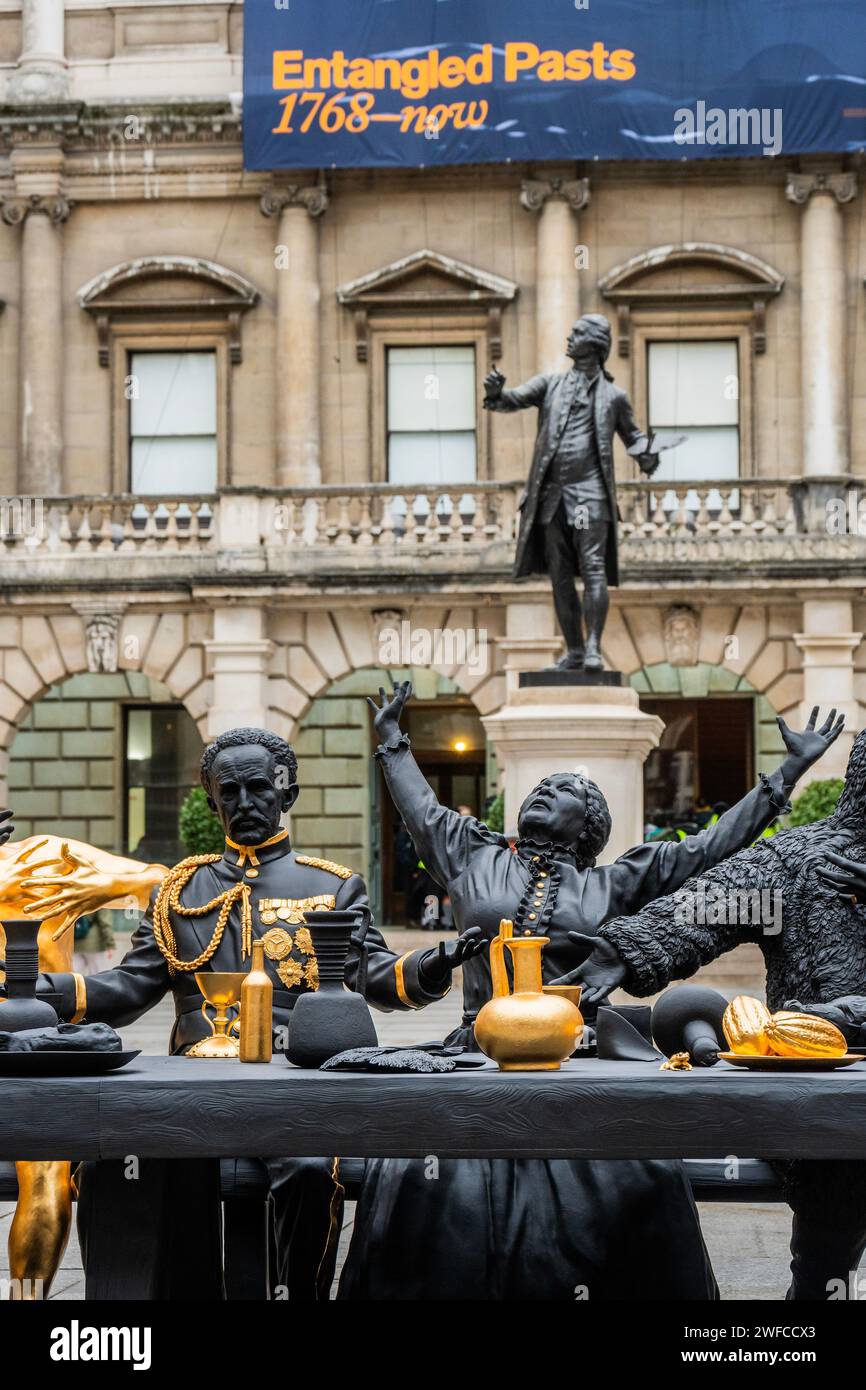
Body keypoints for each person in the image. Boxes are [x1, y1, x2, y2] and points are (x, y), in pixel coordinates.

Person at [336, 684, 843, 1300]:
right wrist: (392, 742)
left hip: (583, 1056)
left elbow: (711, 848)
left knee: (629, 1172)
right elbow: (420, 807)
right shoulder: (471, 855)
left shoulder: (617, 882)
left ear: (590, 828)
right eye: (541, 786)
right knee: (426, 1175)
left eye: (567, 790)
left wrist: (785, 775)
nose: (545, 790)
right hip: (478, 1053)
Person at [24, 727, 485, 1299]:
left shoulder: (332, 887)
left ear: (287, 792)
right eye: (230, 792)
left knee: (316, 1169)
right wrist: (31, 987)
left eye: (259, 789)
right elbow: (129, 987)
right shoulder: (180, 890)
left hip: (294, 1086)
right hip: (193, 1084)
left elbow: (375, 975)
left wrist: (434, 965)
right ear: (212, 799)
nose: (244, 804)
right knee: (118, 1164)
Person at [566, 719, 866, 1301]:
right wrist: (626, 950)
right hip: (819, 1093)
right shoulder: (800, 862)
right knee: (831, 1213)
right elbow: (712, 904)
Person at [484, 313, 672, 671]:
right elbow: (513, 399)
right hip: (552, 497)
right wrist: (495, 393)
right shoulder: (550, 384)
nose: (569, 337)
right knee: (560, 575)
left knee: (593, 567)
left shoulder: (614, 397)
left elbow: (634, 439)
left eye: (577, 333)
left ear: (595, 344)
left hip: (590, 496)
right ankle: (573, 650)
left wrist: (650, 457)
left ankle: (593, 648)